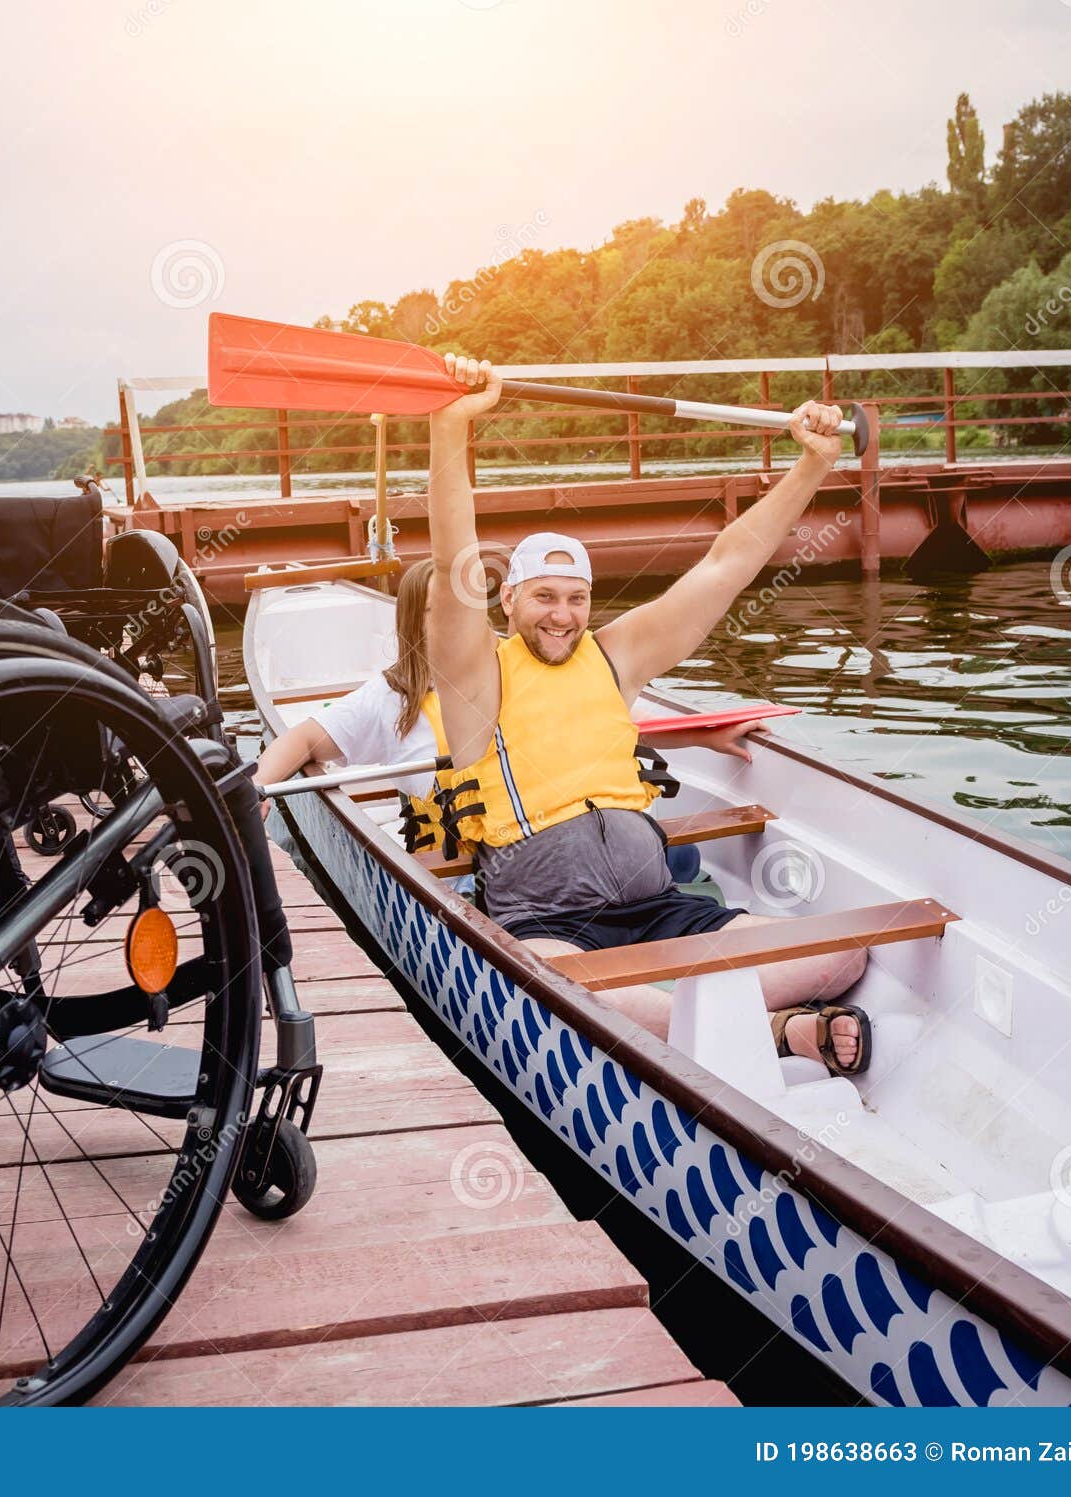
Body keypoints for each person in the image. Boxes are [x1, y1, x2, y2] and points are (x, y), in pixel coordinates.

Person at [424, 355, 869, 1076]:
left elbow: (726, 564)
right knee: (568, 988)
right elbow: (452, 570)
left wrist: (812, 465)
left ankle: (706, 1017)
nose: (562, 615)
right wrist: (450, 430)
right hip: (548, 923)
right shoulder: (478, 676)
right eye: (544, 597)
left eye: (576, 598)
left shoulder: (614, 656)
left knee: (842, 953)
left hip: (660, 905)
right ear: (506, 598)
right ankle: (772, 1029)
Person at [254, 560, 768, 872]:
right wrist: (256, 787)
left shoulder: (520, 664)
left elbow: (605, 729)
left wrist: (702, 735)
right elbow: (301, 742)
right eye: (441, 613)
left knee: (679, 858)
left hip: (558, 843)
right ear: (415, 622)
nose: (459, 625)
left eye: (466, 611)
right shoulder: (392, 698)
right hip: (469, 865)